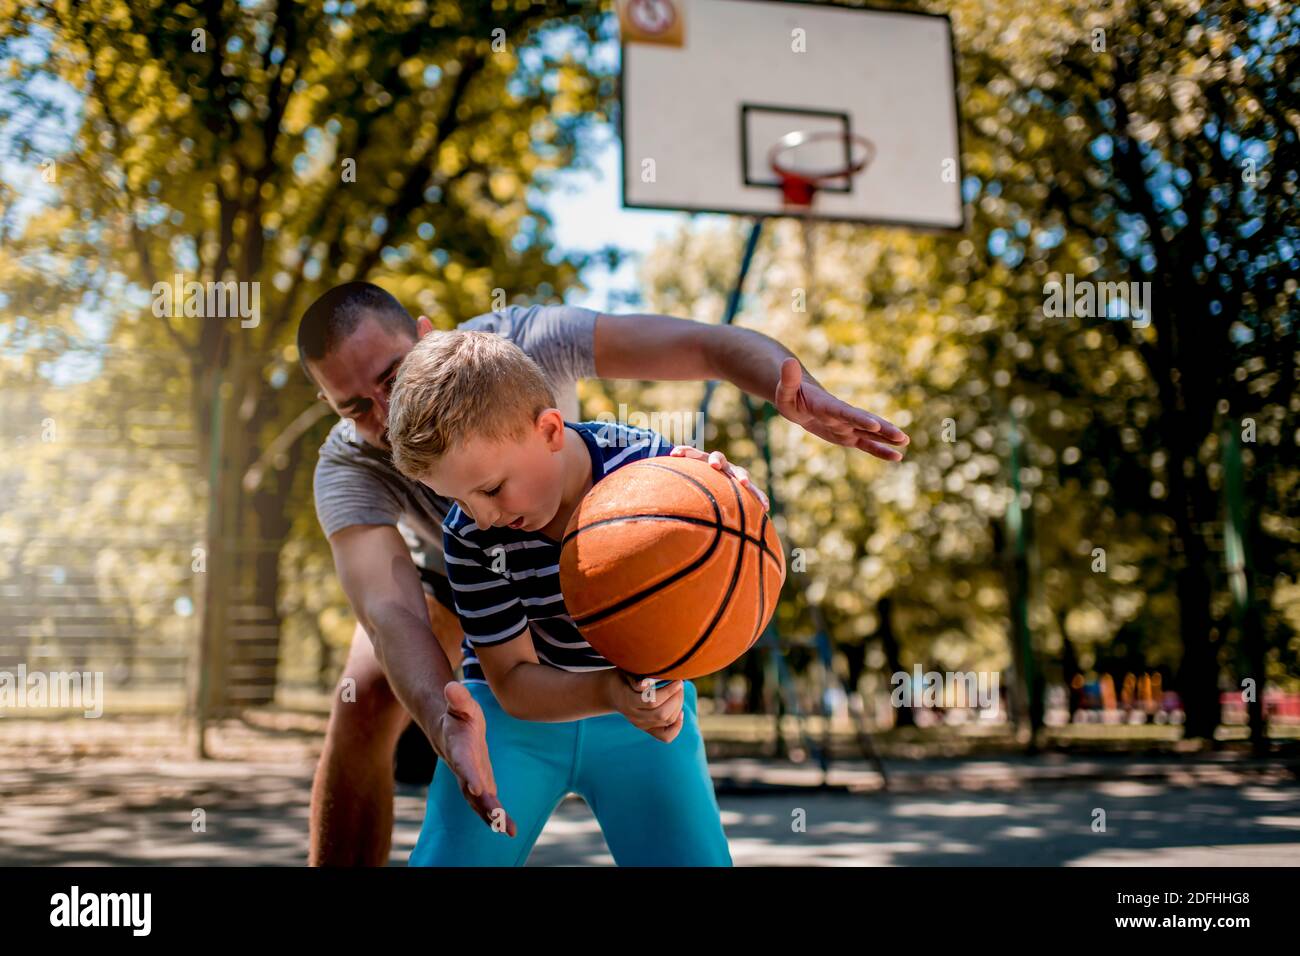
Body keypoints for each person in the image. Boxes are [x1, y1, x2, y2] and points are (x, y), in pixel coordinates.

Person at [299, 281, 909, 865]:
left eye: (391, 377)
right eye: (354, 407)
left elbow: (706, 345)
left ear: (427, 336)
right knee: (368, 695)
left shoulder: (535, 348)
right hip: (451, 565)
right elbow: (390, 612)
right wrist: (443, 719)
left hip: (602, 526)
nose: (382, 412)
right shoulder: (425, 503)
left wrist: (783, 404)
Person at [388, 329, 759, 865]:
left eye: (491, 489)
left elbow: (728, 574)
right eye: (458, 499)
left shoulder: (652, 473)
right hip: (514, 719)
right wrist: (609, 691)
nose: (483, 515)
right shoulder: (469, 535)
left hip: (648, 715)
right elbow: (512, 681)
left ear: (550, 429)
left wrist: (737, 512)